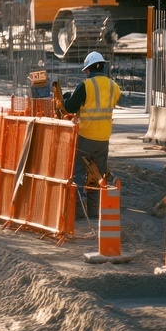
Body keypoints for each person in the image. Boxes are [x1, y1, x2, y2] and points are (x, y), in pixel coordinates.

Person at [62, 51, 122, 218]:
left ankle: (80, 213)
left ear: (87, 69)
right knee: (97, 175)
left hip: (86, 136)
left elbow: (70, 107)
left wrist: (65, 99)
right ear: (102, 67)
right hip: (103, 138)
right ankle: (95, 213)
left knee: (79, 173)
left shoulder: (85, 85)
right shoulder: (113, 86)